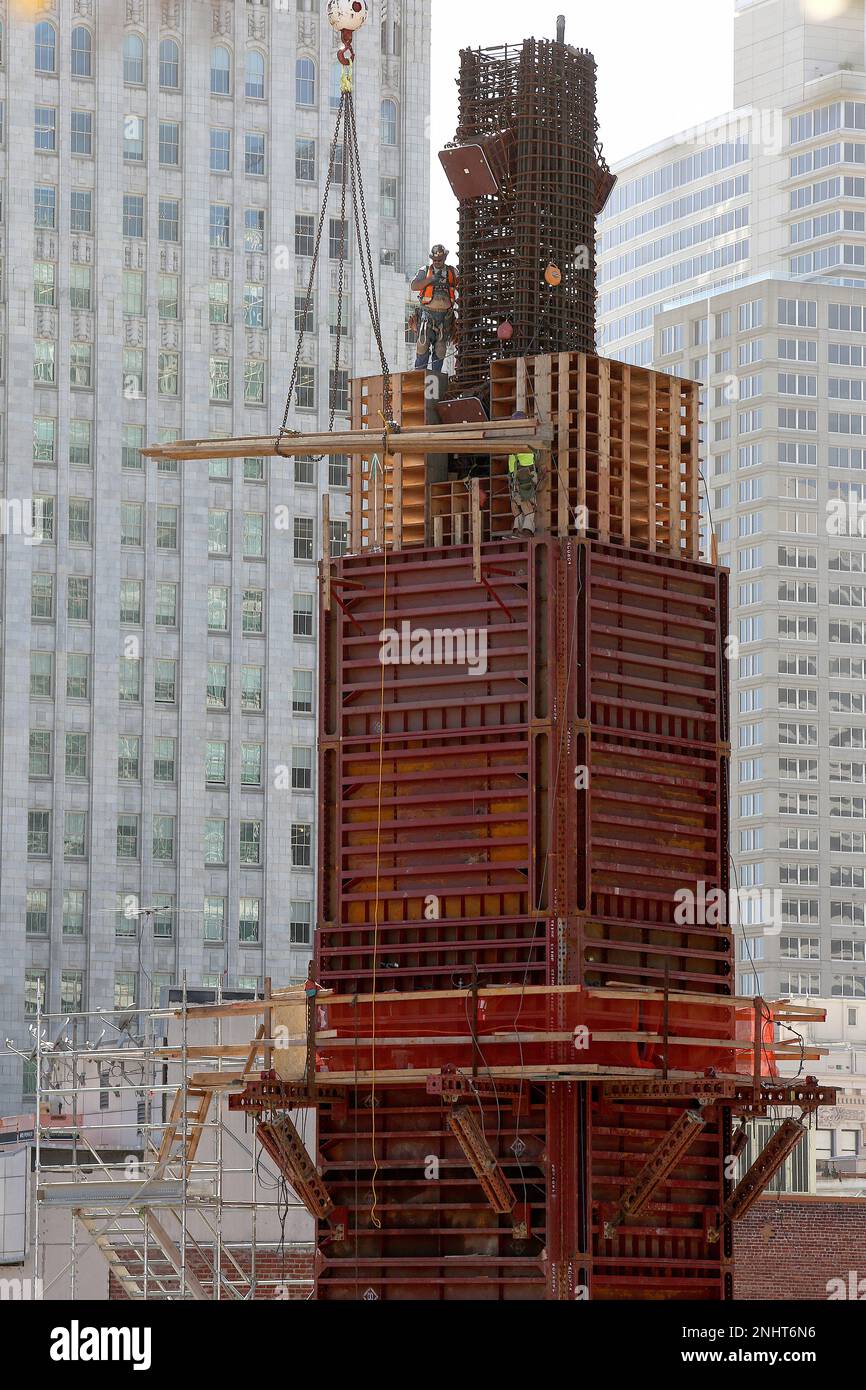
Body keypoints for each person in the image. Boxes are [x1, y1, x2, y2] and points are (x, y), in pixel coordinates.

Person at [412, 245, 457, 373]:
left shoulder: (452, 272)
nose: (437, 263)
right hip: (427, 316)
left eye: (440, 260)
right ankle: (419, 375)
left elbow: (462, 285)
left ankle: (436, 377)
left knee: (441, 349)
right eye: (435, 260)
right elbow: (414, 285)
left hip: (445, 318)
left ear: (445, 258)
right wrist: (430, 279)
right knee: (422, 345)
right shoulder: (425, 270)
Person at [507, 413, 539, 535]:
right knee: (521, 504)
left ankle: (522, 531)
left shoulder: (519, 436)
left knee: (522, 503)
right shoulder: (523, 436)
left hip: (521, 475)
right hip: (520, 475)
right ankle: (522, 531)